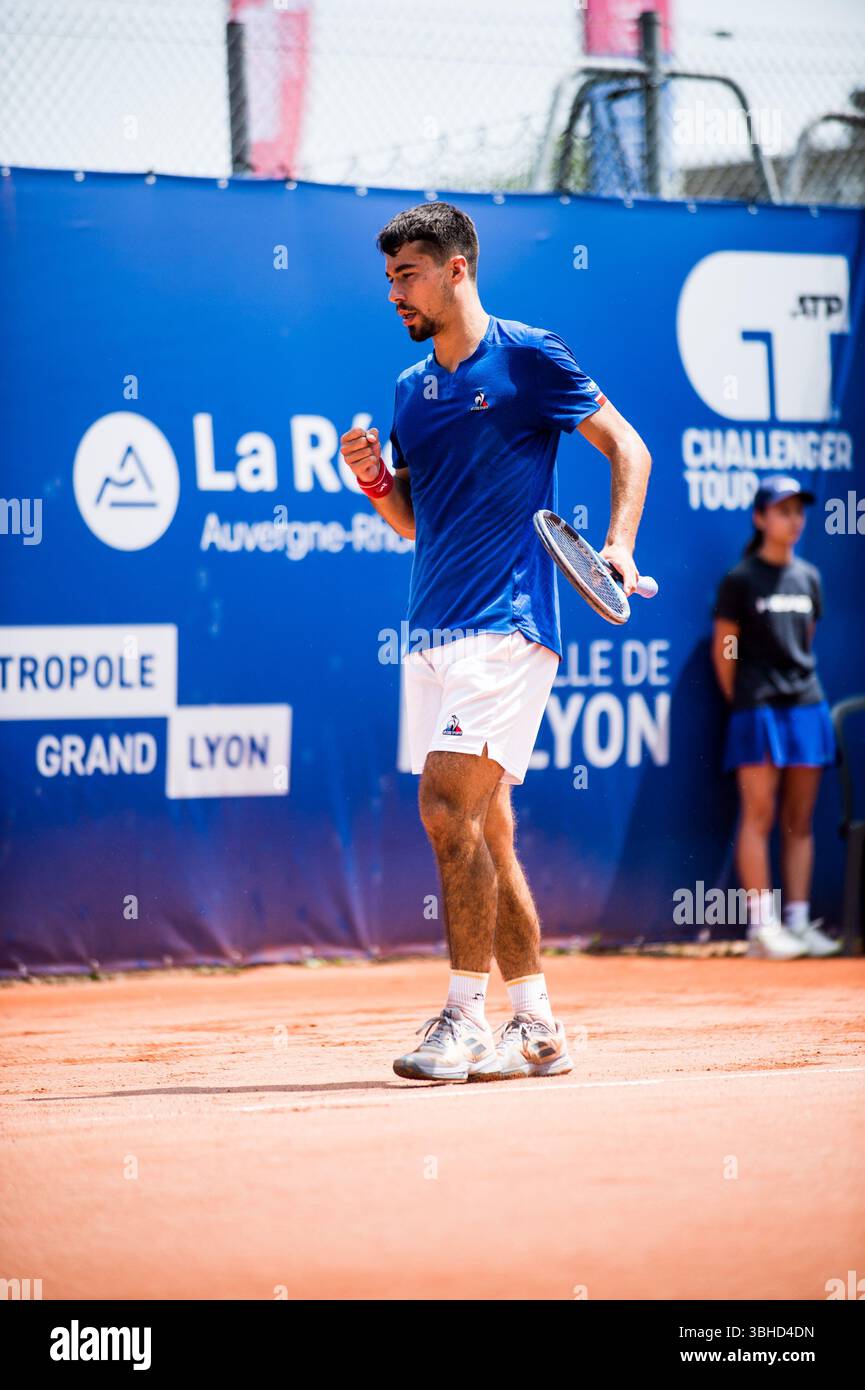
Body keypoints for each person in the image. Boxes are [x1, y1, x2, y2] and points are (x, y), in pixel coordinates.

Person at [340, 202, 652, 1081]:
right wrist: (372, 479)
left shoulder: (527, 355)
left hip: (509, 626)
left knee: (444, 809)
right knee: (486, 832)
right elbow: (411, 521)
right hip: (432, 632)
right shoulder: (410, 391)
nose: (395, 292)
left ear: (456, 269)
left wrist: (618, 546)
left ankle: (463, 1017)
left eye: (408, 274)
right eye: (390, 277)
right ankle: (538, 1024)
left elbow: (628, 449)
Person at [711, 476, 839, 960]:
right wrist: (743, 698)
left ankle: (799, 923)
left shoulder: (810, 578)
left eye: (798, 511)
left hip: (806, 704)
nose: (794, 519)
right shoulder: (740, 580)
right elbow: (726, 649)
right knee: (759, 814)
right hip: (757, 709)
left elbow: (805, 640)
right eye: (782, 511)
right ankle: (762, 930)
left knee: (800, 820)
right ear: (760, 518)